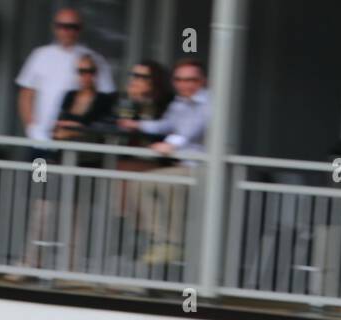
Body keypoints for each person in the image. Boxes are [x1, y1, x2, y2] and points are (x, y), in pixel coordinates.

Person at [117, 58, 210, 265]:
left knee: (159, 185)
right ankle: (161, 241)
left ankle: (171, 243)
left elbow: (193, 129)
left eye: (191, 80)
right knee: (144, 185)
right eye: (179, 80)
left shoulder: (209, 102)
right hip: (183, 166)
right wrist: (137, 125)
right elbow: (165, 124)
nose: (185, 85)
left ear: (203, 81)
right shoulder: (180, 103)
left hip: (202, 169)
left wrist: (170, 145)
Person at [15, 7, 113, 146]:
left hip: (78, 141)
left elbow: (105, 100)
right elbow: (26, 95)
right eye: (62, 26)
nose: (67, 31)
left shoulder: (94, 60)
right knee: (38, 162)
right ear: (54, 28)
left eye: (73, 27)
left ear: (80, 29)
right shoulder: (40, 55)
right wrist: (32, 129)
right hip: (40, 138)